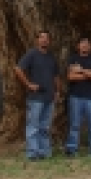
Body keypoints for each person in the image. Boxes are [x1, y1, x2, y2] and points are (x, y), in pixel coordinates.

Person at [14, 29, 61, 161]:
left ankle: (44, 152)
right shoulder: (32, 54)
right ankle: (32, 153)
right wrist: (28, 84)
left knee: (45, 126)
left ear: (49, 41)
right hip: (36, 97)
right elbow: (18, 69)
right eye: (42, 37)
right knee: (33, 126)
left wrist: (57, 91)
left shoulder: (51, 57)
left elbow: (56, 76)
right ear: (37, 40)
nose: (44, 40)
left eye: (47, 38)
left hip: (49, 97)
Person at [64, 34, 91, 157]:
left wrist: (81, 71)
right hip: (75, 97)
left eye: (87, 44)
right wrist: (89, 75)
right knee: (75, 124)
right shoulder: (73, 59)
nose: (85, 46)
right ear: (78, 46)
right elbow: (70, 77)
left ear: (90, 46)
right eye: (82, 44)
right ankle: (72, 149)